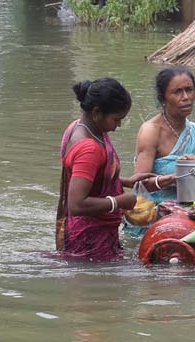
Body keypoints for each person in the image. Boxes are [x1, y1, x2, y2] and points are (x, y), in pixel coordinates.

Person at [56, 79, 151, 261]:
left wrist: (124, 181)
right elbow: (77, 204)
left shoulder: (79, 127)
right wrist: (118, 202)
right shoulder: (89, 148)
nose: (118, 125)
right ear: (97, 112)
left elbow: (89, 178)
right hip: (88, 239)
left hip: (87, 231)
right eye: (116, 119)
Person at [132, 66, 195, 204]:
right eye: (177, 92)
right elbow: (139, 184)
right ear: (163, 98)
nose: (185, 97)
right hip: (157, 209)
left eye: (189, 90)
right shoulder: (151, 131)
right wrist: (177, 175)